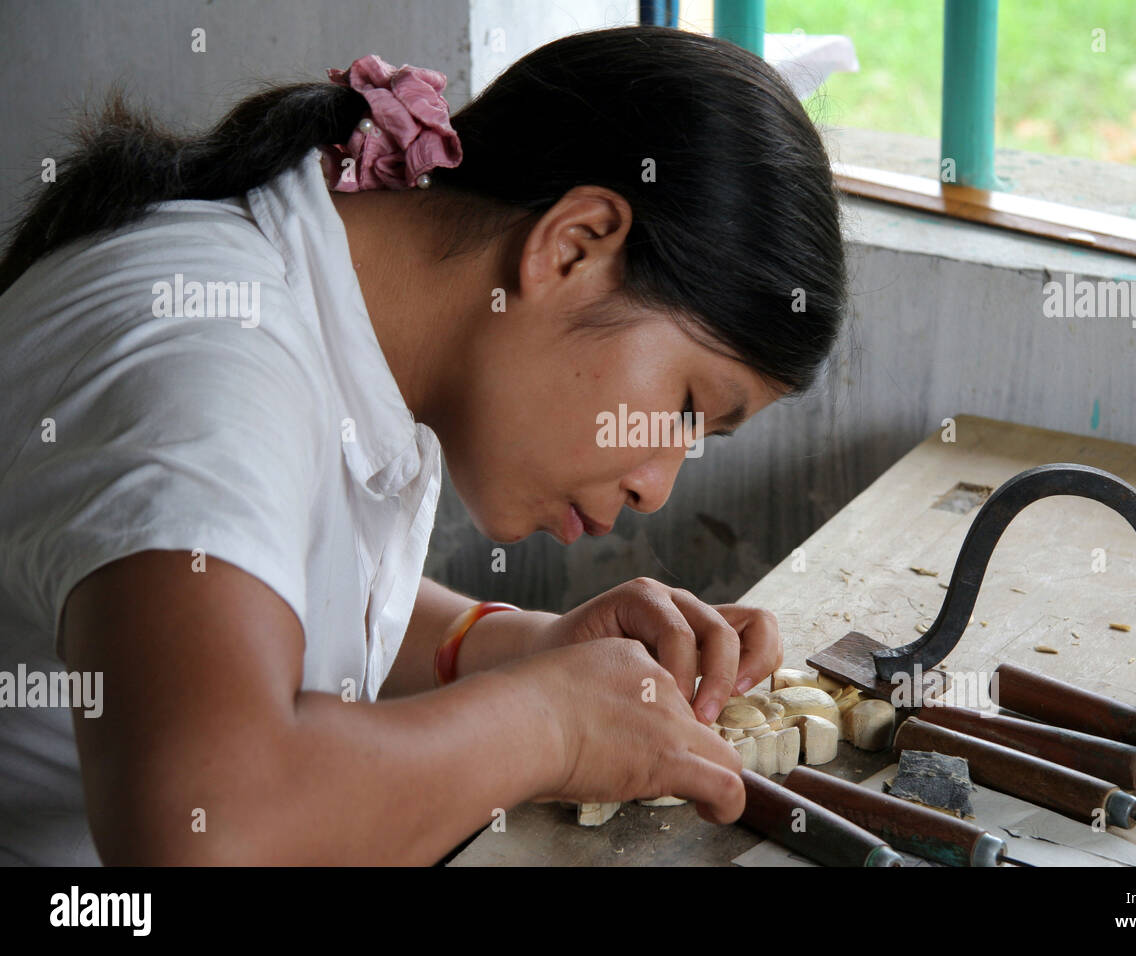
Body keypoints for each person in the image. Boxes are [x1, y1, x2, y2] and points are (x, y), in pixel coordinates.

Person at [0, 25, 847, 865]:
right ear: (575, 245)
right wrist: (548, 727)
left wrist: (516, 647)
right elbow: (212, 832)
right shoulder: (210, 361)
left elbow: (262, 606)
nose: (657, 485)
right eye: (690, 408)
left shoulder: (331, 302)